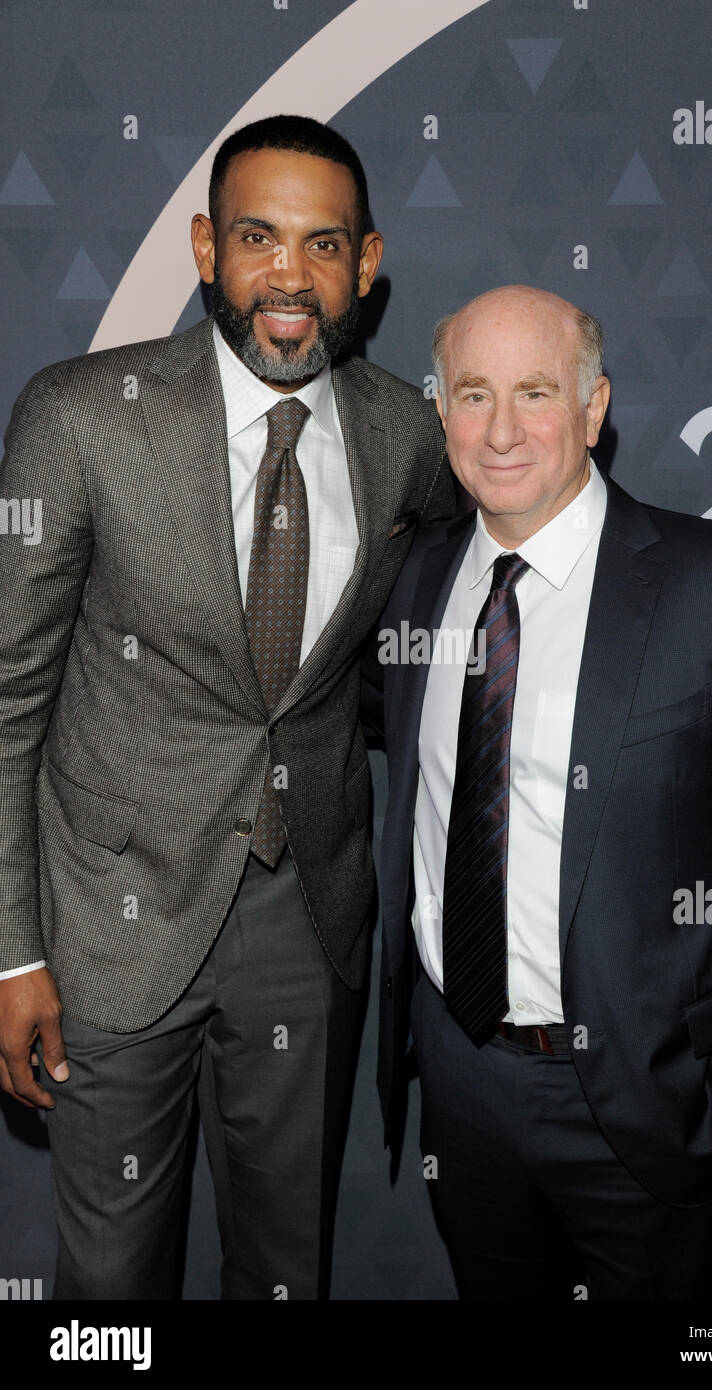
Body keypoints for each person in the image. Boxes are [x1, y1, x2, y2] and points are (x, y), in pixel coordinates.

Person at [0, 114, 454, 1300]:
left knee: (285, 1264)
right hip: (111, 918)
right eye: (258, 238)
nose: (288, 276)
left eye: (323, 244)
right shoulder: (80, 416)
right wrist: (13, 953)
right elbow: (7, 703)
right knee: (110, 1287)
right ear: (206, 248)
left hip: (307, 912)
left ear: (367, 265)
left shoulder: (412, 437)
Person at [363, 284, 712, 1300]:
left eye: (535, 393)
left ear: (593, 409)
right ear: (441, 409)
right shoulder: (417, 580)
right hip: (461, 1089)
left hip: (658, 1101)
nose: (500, 431)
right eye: (471, 394)